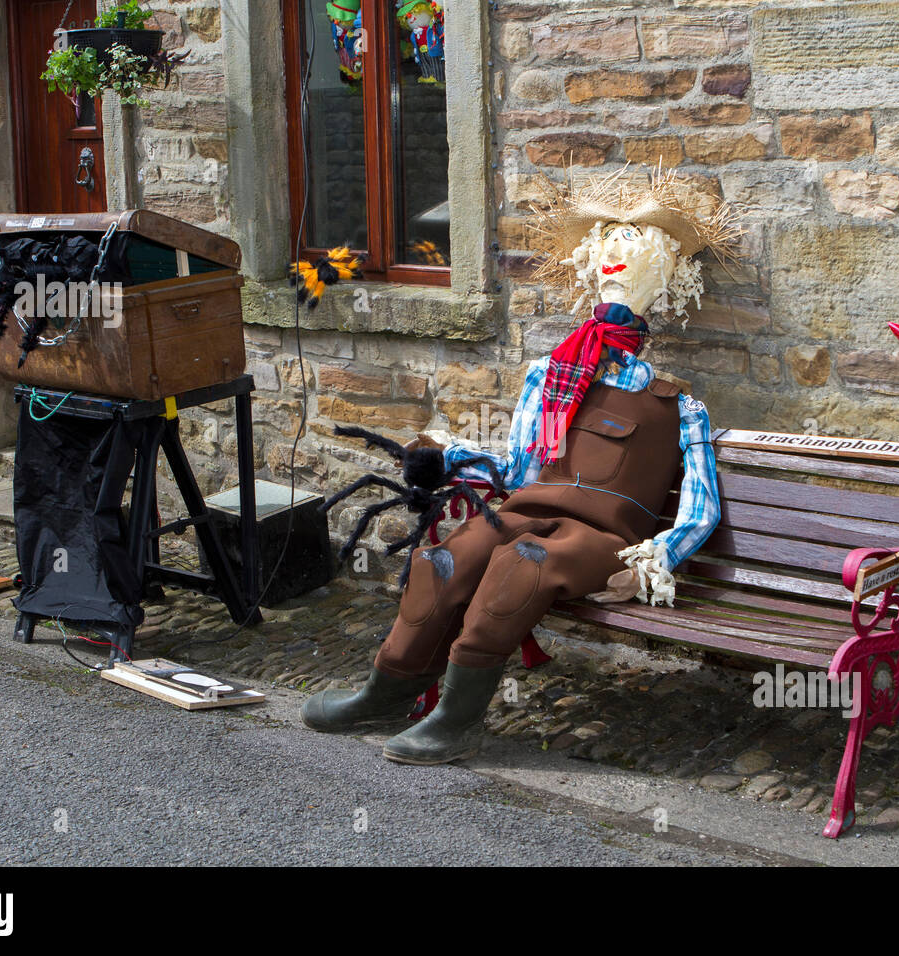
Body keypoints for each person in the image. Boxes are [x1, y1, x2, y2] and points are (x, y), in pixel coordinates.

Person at [303, 165, 739, 764]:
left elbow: (702, 504)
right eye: (608, 247)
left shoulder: (679, 405)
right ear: (591, 262)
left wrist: (656, 561)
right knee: (445, 559)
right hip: (528, 509)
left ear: (666, 276)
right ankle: (386, 690)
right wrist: (448, 460)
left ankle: (457, 719)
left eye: (634, 251)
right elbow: (517, 470)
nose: (616, 259)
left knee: (523, 563)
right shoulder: (552, 376)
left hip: (604, 537)